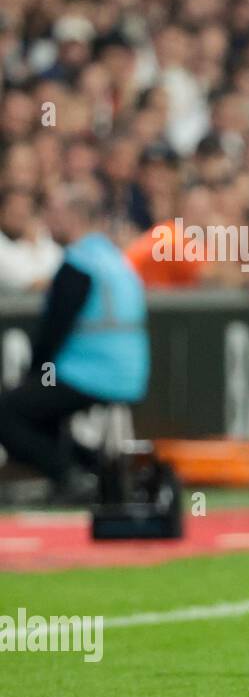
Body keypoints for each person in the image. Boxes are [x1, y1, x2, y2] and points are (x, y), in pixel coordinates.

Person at [0, 185, 149, 502]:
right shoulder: (115, 260)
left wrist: (34, 375)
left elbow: (54, 331)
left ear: (74, 217)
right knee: (43, 413)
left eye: (55, 212)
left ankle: (70, 477)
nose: (48, 219)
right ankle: (98, 469)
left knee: (8, 412)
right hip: (127, 374)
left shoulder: (79, 264)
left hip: (91, 373)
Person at [0, 188, 62, 292]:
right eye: (14, 212)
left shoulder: (41, 237)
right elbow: (31, 283)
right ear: (1, 213)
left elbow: (59, 263)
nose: (21, 217)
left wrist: (35, 244)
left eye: (25, 212)